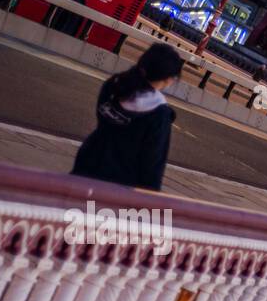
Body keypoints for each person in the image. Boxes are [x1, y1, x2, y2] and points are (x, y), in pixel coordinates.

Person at [72, 43, 184, 191]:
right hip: (119, 183)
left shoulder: (115, 85)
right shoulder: (158, 113)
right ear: (169, 79)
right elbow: (152, 164)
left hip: (88, 162)